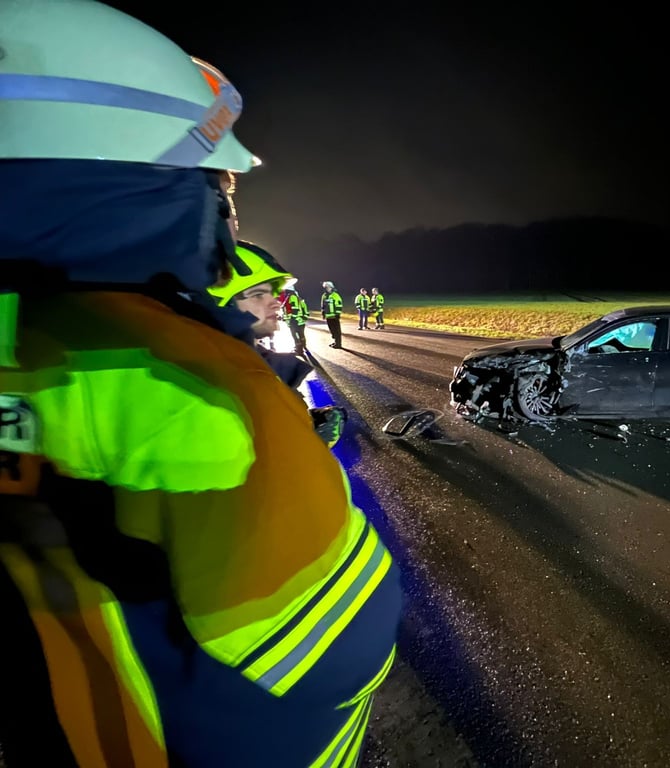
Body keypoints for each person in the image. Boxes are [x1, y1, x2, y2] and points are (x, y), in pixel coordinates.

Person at [0, 3, 401, 768]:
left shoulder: (30, 335)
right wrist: (270, 400)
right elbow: (334, 657)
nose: (227, 205)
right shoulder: (197, 386)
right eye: (216, 180)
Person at [208, 241, 346, 448]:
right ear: (219, 303)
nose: (275, 302)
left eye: (272, 294)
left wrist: (303, 421)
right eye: (257, 295)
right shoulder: (219, 380)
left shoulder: (246, 362)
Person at [282, 284, 310, 352]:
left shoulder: (292, 297)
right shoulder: (293, 297)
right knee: (300, 335)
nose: (284, 291)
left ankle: (299, 349)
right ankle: (303, 346)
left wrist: (292, 319)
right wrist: (284, 317)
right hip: (298, 320)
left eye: (285, 290)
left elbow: (295, 309)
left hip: (295, 320)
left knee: (295, 336)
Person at [321, 280, 344, 348]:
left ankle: (338, 344)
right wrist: (323, 313)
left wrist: (337, 314)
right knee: (332, 330)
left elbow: (339, 305)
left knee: (337, 331)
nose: (327, 288)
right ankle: (335, 342)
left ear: (331, 287)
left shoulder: (335, 295)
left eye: (328, 287)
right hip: (328, 316)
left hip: (334, 316)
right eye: (325, 287)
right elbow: (323, 305)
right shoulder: (324, 296)